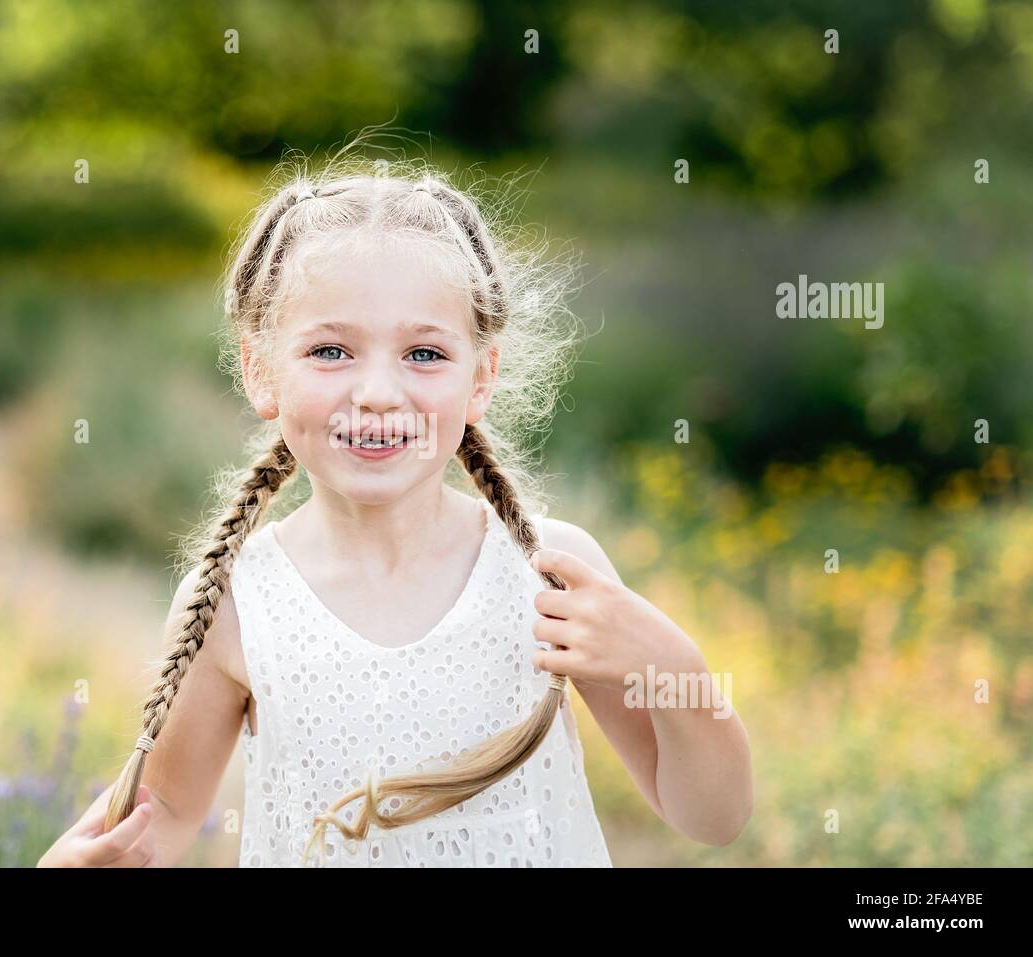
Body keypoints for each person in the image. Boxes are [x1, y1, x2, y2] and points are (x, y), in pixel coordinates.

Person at [39, 141, 752, 868]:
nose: (378, 391)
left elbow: (712, 816)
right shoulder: (234, 601)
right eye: (330, 351)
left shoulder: (549, 577)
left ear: (481, 377)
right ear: (261, 371)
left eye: (424, 354)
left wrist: (672, 664)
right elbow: (173, 810)